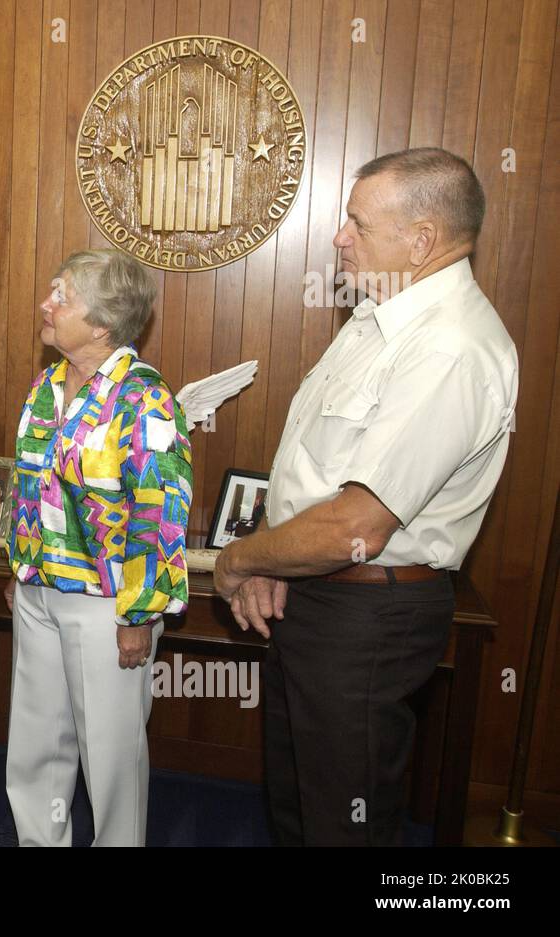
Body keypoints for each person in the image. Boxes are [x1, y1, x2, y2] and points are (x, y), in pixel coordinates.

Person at [214, 147, 519, 845]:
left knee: (344, 825)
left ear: (420, 240)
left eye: (357, 223)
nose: (338, 236)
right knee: (299, 806)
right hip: (319, 595)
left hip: (363, 613)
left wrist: (239, 559)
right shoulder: (377, 319)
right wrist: (272, 561)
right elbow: (318, 477)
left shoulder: (449, 347)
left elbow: (357, 521)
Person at [3, 249, 192, 846]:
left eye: (63, 296)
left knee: (111, 762)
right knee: (35, 747)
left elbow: (159, 509)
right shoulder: (48, 384)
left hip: (108, 606)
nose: (46, 303)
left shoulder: (145, 396)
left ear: (104, 323)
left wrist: (141, 614)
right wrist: (21, 563)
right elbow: (28, 480)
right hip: (38, 592)